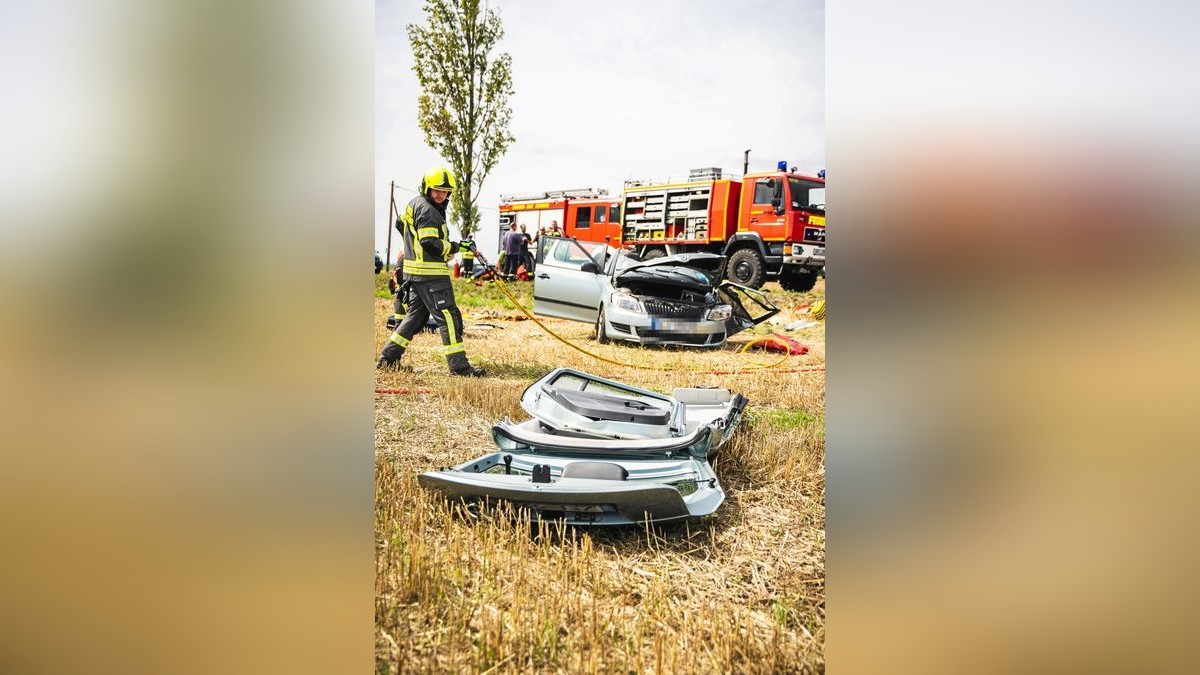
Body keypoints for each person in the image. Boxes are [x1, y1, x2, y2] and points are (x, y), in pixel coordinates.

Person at [377, 165, 485, 377]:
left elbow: (402, 225)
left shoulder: (414, 204)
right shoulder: (429, 211)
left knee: (415, 318)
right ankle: (460, 368)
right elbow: (429, 242)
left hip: (415, 273)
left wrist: (415, 247)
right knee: (449, 319)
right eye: (436, 190)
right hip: (431, 275)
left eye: (445, 192)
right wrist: (451, 248)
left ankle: (387, 359)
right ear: (426, 188)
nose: (440, 195)